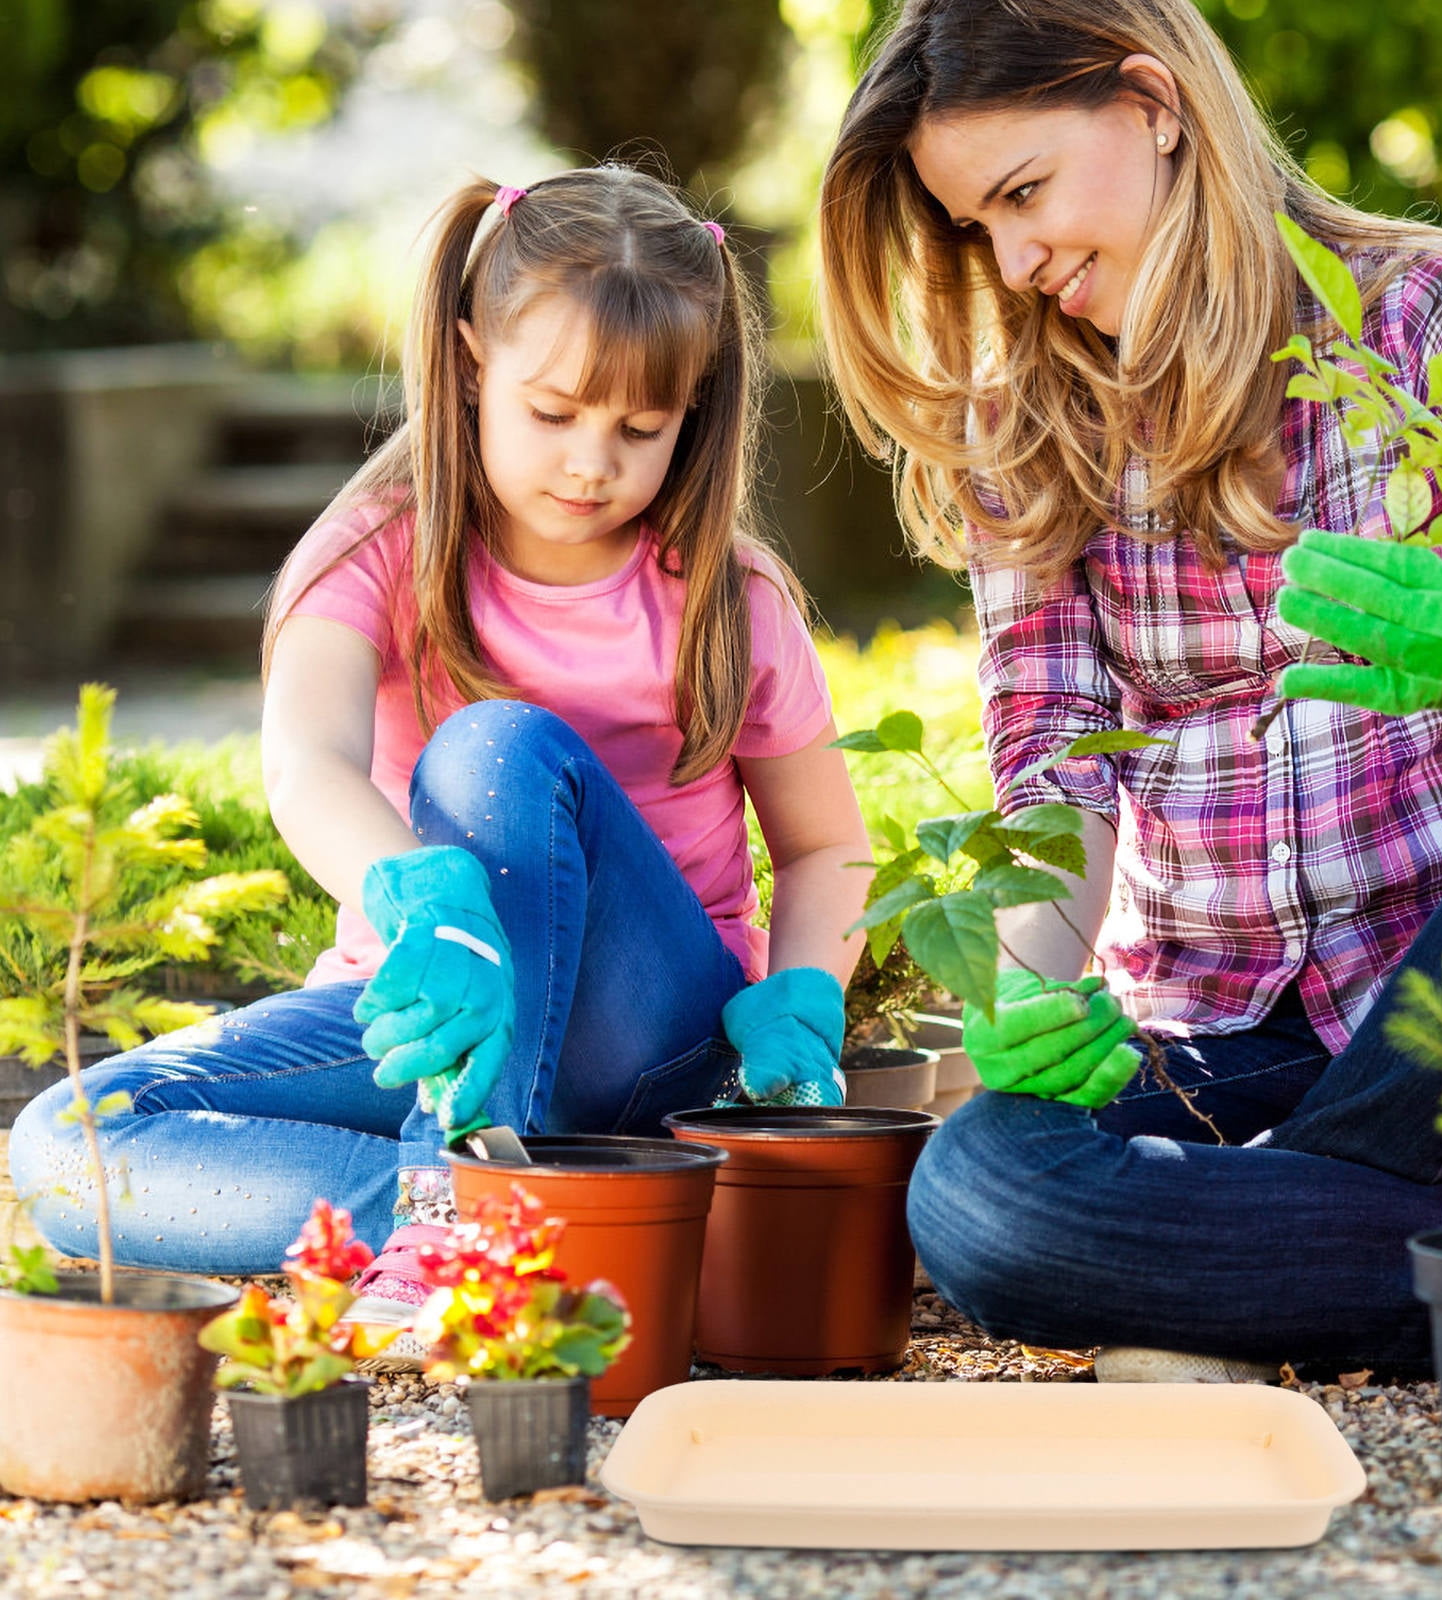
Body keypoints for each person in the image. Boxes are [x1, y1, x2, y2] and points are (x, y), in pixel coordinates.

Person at [818, 0, 1442, 1379]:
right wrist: (1022, 992)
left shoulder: (1427, 308)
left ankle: (1244, 1264)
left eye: (1024, 193)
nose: (1016, 258)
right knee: (978, 1190)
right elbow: (1055, 761)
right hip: (1220, 1028)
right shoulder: (1031, 429)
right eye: (975, 229)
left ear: (1155, 103)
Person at [11, 166, 870, 1350]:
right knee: (72, 1139)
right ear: (470, 362)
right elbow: (306, 759)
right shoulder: (376, 547)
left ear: (695, 408)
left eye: (640, 428)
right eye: (554, 411)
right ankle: (499, 1224)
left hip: (648, 1042)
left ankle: (450, 1200)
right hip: (430, 1021)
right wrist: (422, 899)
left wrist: (806, 992)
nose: (591, 463)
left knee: (494, 748)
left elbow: (826, 844)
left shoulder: (727, 594)